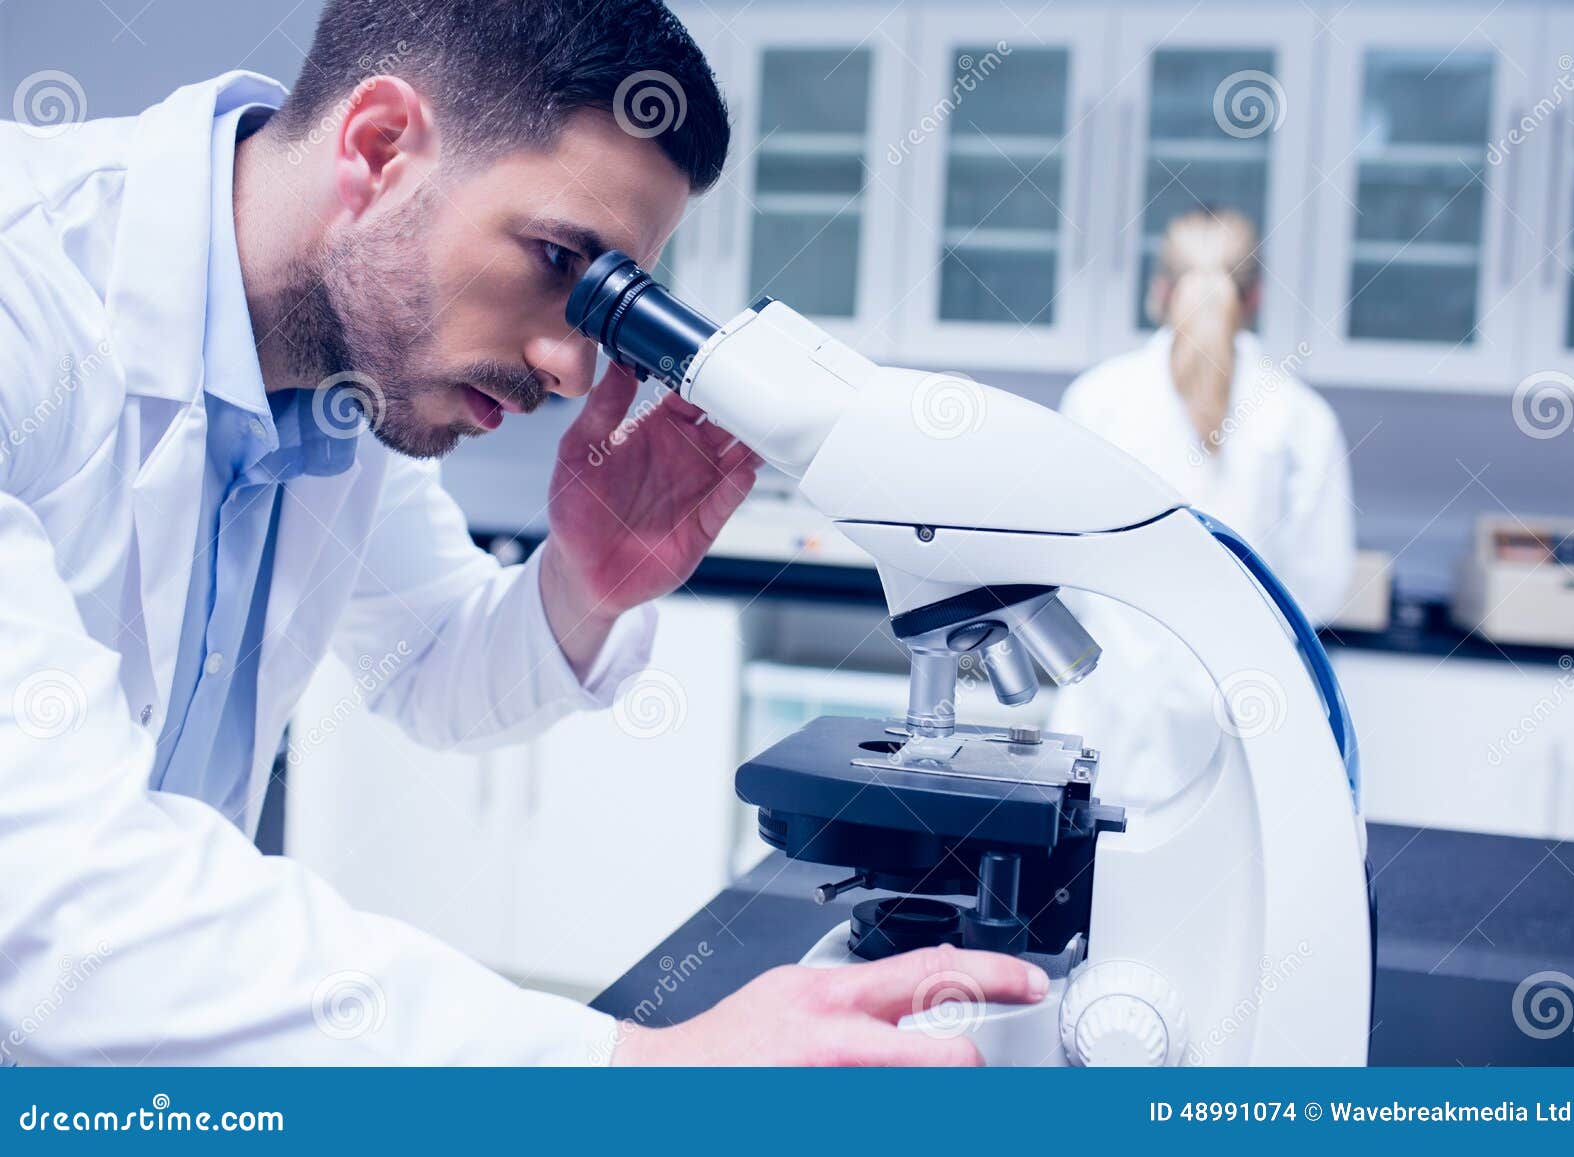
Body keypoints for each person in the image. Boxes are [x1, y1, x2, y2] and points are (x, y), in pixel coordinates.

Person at [0, 0, 1044, 1066]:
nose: (571, 368)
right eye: (556, 257)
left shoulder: (347, 381)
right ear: (379, 147)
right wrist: (641, 1066)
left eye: (601, 305)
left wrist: (581, 587)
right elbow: (49, 893)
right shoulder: (24, 291)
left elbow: (429, 665)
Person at [1049, 207, 1356, 805]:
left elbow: (1064, 576)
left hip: (1107, 733)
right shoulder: (1301, 419)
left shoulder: (1097, 401)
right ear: (1257, 297)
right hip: (1249, 737)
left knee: (1097, 894)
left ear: (1158, 291)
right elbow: (1319, 590)